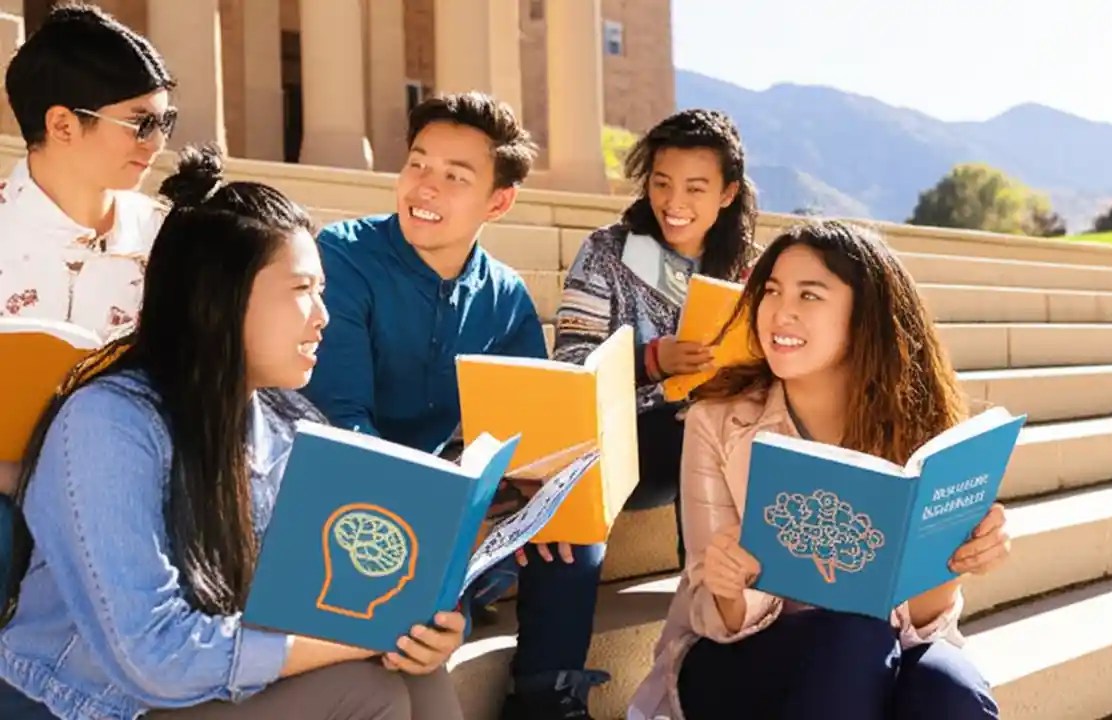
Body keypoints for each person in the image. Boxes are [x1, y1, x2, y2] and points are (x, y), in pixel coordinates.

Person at [0, 146, 467, 720]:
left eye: (322, 291)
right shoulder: (108, 425)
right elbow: (152, 657)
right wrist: (352, 642)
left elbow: (307, 605)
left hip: (203, 688)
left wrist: (421, 633)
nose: (323, 316)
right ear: (217, 301)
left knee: (412, 676)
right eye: (301, 291)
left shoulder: (286, 423)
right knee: (366, 694)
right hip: (92, 700)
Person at [628, 220, 1010, 720]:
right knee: (854, 636)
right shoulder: (717, 421)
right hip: (733, 659)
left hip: (875, 649)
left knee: (950, 689)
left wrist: (953, 562)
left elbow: (921, 626)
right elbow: (715, 618)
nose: (780, 312)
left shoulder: (922, 431)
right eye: (770, 291)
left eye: (810, 296)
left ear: (865, 316)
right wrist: (730, 582)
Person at [301, 92, 604, 720]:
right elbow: (345, 424)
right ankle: (464, 590)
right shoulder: (344, 256)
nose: (425, 188)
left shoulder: (506, 293)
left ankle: (548, 698)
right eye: (417, 165)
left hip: (451, 498)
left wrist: (536, 497)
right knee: (429, 607)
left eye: (454, 176)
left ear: (499, 200)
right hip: (348, 492)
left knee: (572, 541)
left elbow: (534, 423)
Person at [0, 3, 173, 498]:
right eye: (140, 123)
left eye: (166, 122)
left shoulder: (170, 240)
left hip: (129, 495)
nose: (157, 142)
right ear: (62, 125)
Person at [554, 108, 758, 521]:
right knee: (697, 430)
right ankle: (703, 583)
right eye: (661, 183)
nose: (674, 202)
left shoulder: (751, 272)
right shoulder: (606, 253)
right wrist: (651, 363)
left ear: (727, 193)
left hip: (728, 434)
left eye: (695, 189)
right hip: (629, 442)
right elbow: (569, 369)